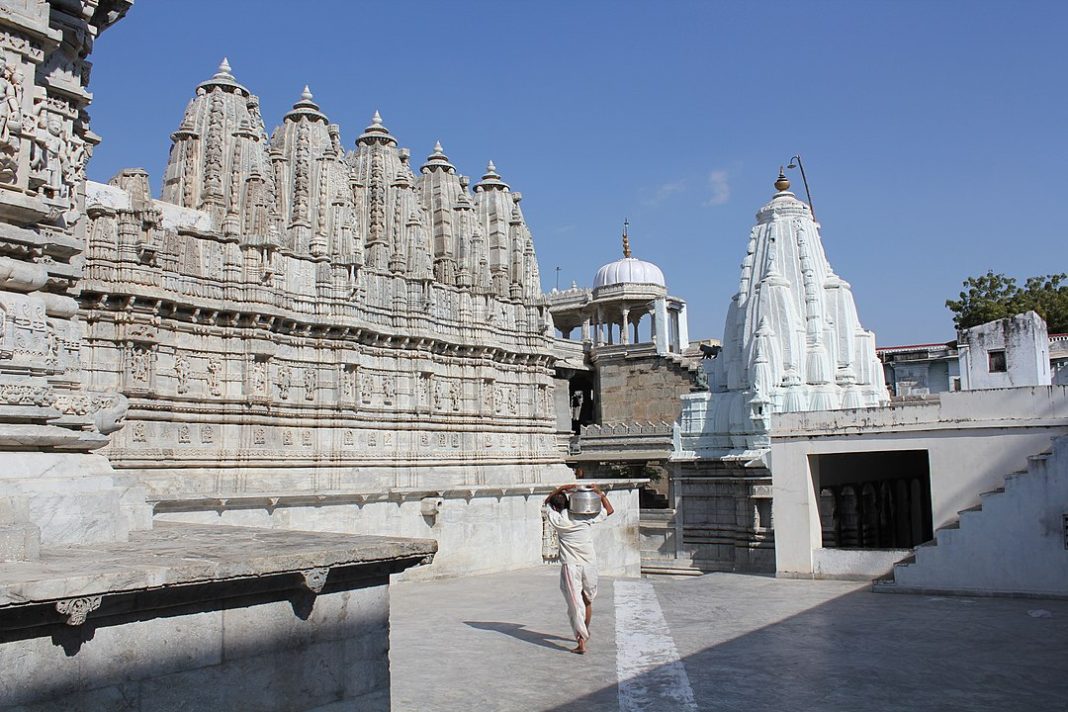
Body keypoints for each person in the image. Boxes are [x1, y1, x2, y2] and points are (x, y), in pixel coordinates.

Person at [544, 482, 614, 654]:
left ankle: (581, 641)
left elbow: (545, 503)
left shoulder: (558, 520)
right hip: (589, 563)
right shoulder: (585, 517)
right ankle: (585, 632)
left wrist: (561, 489)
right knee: (587, 599)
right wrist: (600, 493)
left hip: (572, 565)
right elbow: (610, 511)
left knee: (575, 604)